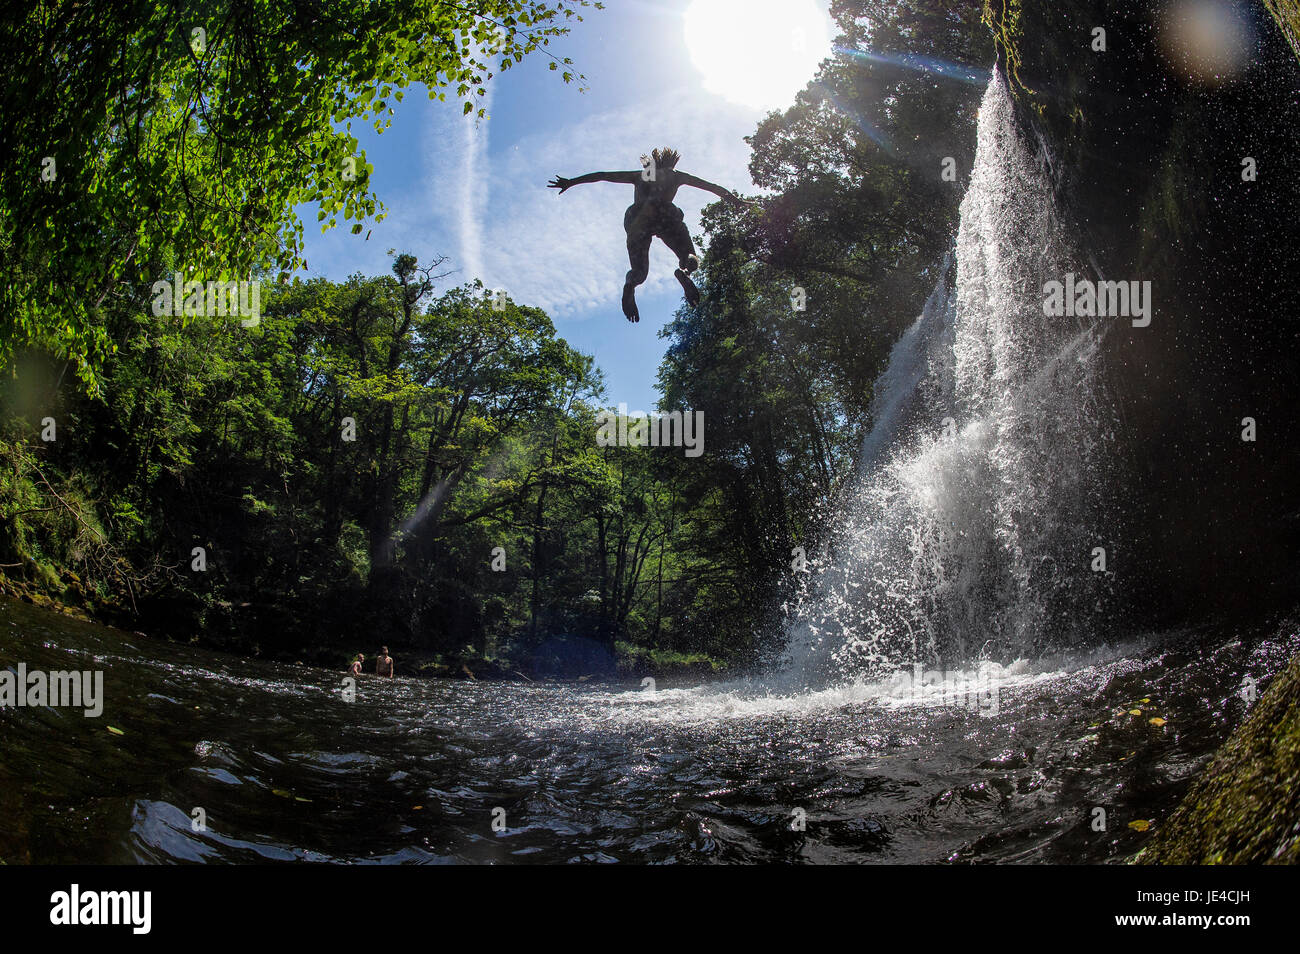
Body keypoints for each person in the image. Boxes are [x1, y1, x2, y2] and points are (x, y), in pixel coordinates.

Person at [548, 147, 751, 322]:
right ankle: (685, 271)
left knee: (639, 272)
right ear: (671, 163)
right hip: (666, 216)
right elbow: (712, 187)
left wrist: (571, 182)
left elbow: (603, 175)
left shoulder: (643, 175)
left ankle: (630, 286)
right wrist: (736, 202)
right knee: (690, 257)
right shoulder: (676, 175)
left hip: (637, 218)